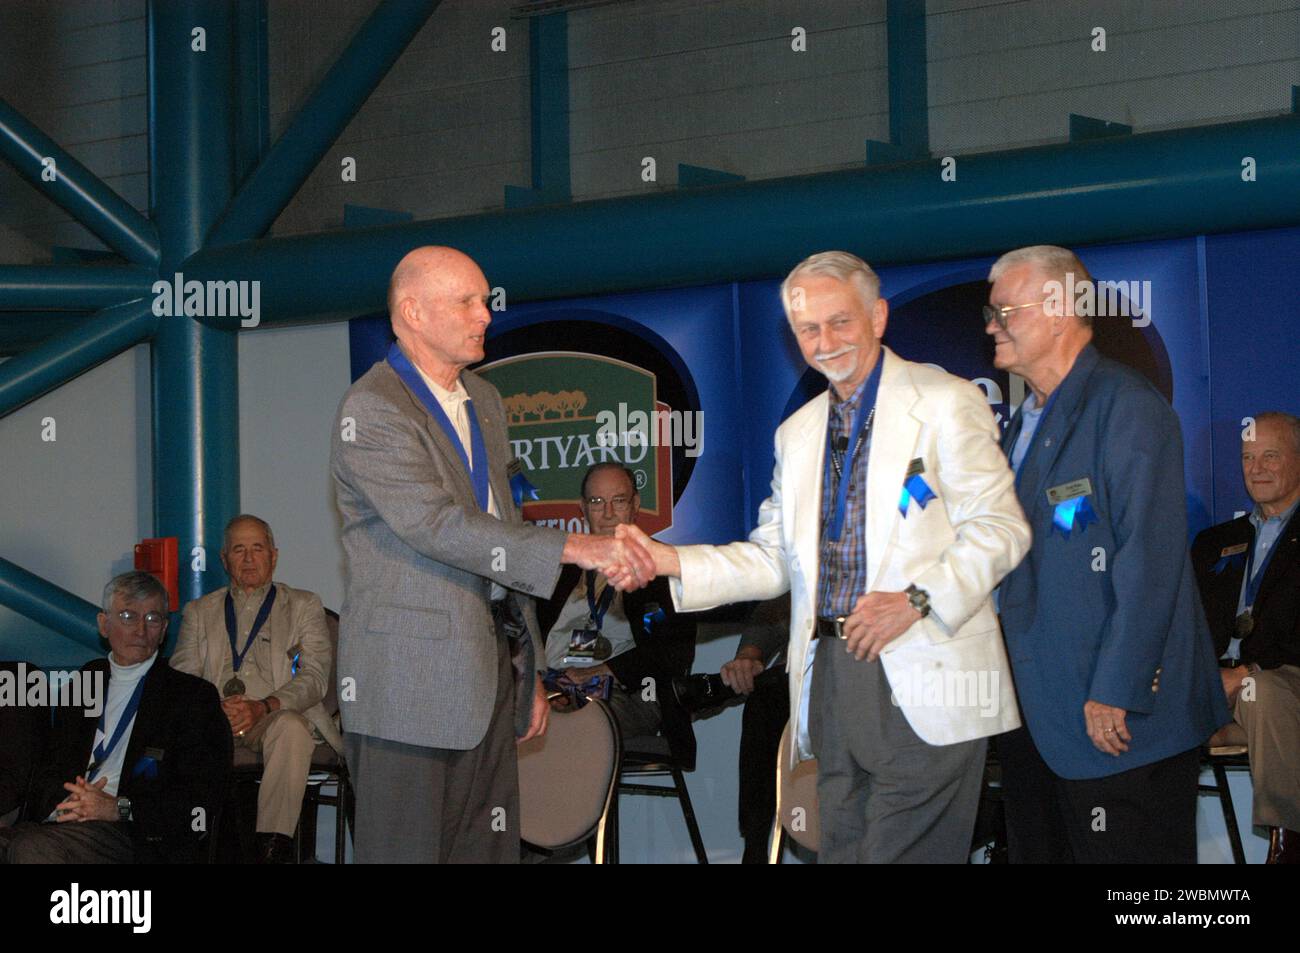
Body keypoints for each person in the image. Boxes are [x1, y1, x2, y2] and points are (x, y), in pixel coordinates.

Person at [618, 250, 1030, 863]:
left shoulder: (943, 401)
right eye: (809, 329)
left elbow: (1003, 528)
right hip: (831, 675)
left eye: (840, 321)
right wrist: (668, 562)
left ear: (879, 315)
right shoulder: (800, 431)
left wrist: (916, 601)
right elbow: (773, 559)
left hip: (928, 671)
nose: (826, 341)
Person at [330, 245, 653, 863]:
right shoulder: (371, 409)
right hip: (407, 692)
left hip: (488, 684)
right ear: (413, 312)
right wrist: (574, 546)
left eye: (485, 299)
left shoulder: (485, 401)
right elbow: (436, 526)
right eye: (467, 301)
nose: (486, 314)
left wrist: (526, 671)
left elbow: (499, 537)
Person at [988, 244, 1229, 863]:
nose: (991, 325)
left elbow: (1149, 561)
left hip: (1116, 717)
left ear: (1060, 309)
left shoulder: (1126, 407)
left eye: (1004, 310)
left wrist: (1117, 687)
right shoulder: (1019, 426)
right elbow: (1053, 543)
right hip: (1036, 721)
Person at [0, 571, 230, 863]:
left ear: (164, 629)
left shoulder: (190, 697)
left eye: (152, 619)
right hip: (66, 822)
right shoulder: (85, 683)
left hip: (133, 831)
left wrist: (118, 807)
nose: (140, 630)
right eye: (127, 616)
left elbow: (198, 800)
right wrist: (68, 803)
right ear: (103, 624)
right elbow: (46, 771)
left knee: (33, 848)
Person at [172, 514, 343, 863]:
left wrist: (263, 707)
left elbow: (313, 677)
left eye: (257, 548)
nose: (249, 559)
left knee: (292, 729)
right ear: (224, 560)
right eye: (239, 550)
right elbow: (182, 679)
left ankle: (272, 849)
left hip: (274, 714)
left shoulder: (304, 605)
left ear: (274, 556)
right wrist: (215, 709)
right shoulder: (199, 612)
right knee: (176, 733)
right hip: (215, 718)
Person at [1191, 411, 1300, 863]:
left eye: (1269, 456)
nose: (1256, 469)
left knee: (1257, 693)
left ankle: (1287, 839)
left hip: (1281, 676)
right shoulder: (1215, 541)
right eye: (1248, 457)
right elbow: (1185, 623)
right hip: (1214, 683)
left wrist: (1245, 672)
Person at [537, 463, 697, 766]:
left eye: (619, 501)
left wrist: (606, 671)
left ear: (635, 505)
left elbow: (673, 653)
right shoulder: (560, 570)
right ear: (582, 509)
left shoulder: (662, 568)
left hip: (631, 693)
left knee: (574, 721)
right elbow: (525, 633)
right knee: (513, 715)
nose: (608, 513)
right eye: (597, 502)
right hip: (553, 686)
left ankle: (578, 814)